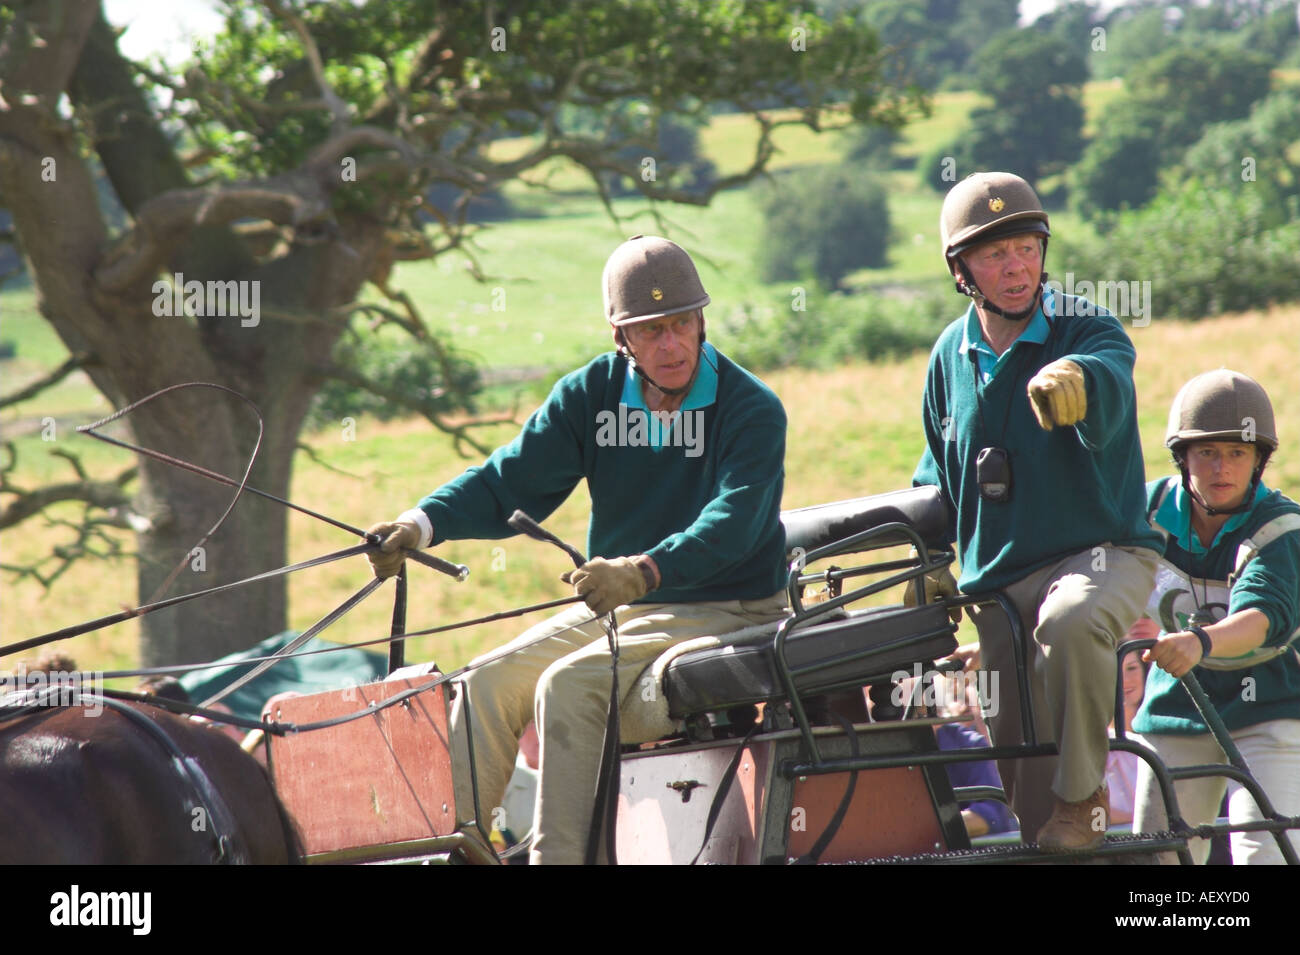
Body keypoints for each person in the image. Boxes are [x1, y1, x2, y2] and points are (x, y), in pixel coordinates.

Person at [364, 235, 789, 864]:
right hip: (630, 608)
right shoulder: (588, 396)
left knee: (567, 684)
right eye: (650, 331)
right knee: (482, 683)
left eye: (680, 325)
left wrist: (645, 569)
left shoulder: (751, 409)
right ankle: (465, 852)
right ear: (622, 338)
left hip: (733, 604)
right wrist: (420, 524)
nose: (670, 344)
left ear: (702, 321)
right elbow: (508, 482)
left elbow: (734, 521)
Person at [912, 171, 1162, 851]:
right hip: (996, 589)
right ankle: (1051, 822)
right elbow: (938, 474)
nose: (1017, 266)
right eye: (995, 255)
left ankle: (1084, 801)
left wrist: (1077, 381)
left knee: (1073, 619)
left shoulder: (1088, 326)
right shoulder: (948, 356)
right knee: (1027, 804)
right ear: (962, 269)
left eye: (1026, 246)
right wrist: (928, 561)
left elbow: (1110, 375)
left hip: (1101, 554)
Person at [1129, 370, 1300, 864]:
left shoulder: (1282, 529)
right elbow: (1093, 585)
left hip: (1273, 705)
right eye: (1206, 452)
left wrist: (1200, 643)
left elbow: (1261, 617)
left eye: (1237, 453)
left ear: (1259, 461)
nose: (1221, 468)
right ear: (1182, 458)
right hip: (1180, 701)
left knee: (1262, 855)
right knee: (1157, 860)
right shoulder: (1144, 512)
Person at [1105, 653, 1148, 826]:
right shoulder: (1087, 742)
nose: (1124, 679)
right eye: (1111, 671)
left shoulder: (1164, 737)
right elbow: (1092, 818)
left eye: (1132, 668)